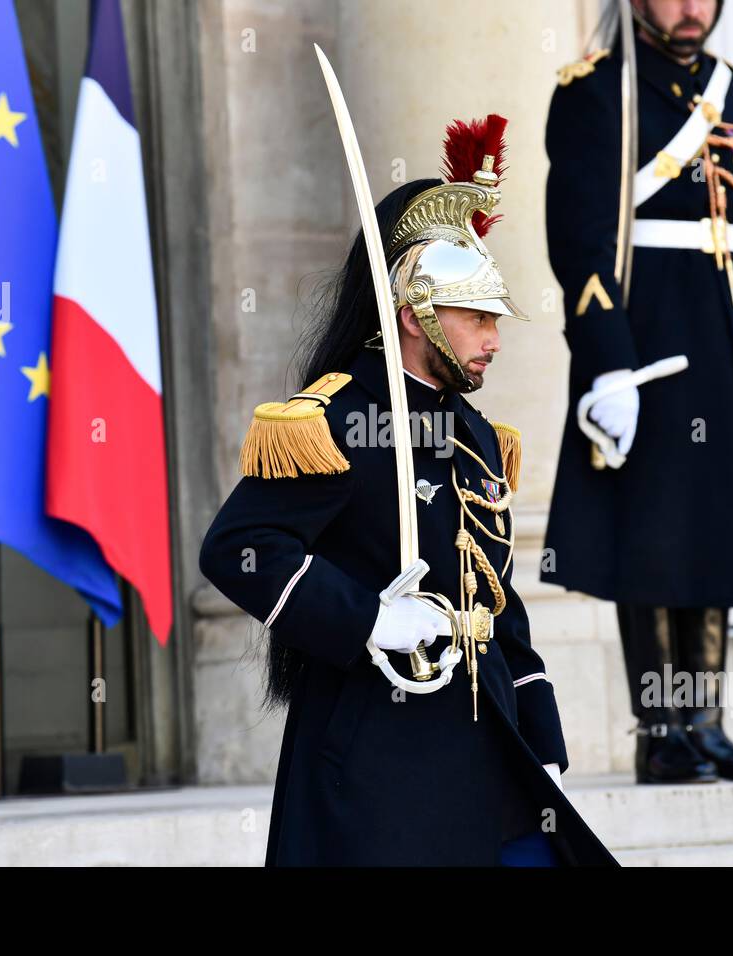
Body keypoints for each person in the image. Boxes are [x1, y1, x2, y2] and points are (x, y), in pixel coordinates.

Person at [200, 115, 617, 866]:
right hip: (379, 761)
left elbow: (497, 599)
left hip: (492, 744)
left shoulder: (478, 433)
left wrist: (541, 730)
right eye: (477, 317)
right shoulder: (338, 416)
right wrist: (367, 620)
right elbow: (238, 550)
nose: (494, 337)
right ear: (413, 314)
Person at [542, 0, 733, 784]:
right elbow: (580, 241)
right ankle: (660, 732)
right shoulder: (596, 90)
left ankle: (707, 722)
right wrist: (607, 362)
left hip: (732, 329)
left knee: (718, 526)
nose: (691, 8)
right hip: (650, 328)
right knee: (653, 534)